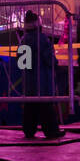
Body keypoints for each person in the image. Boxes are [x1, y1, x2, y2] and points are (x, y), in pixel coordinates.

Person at [19, 10, 62, 138]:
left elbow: (22, 62)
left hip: (29, 80)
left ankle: (29, 130)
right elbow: (49, 59)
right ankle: (51, 131)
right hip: (43, 79)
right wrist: (55, 63)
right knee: (46, 107)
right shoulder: (42, 39)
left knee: (30, 107)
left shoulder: (23, 39)